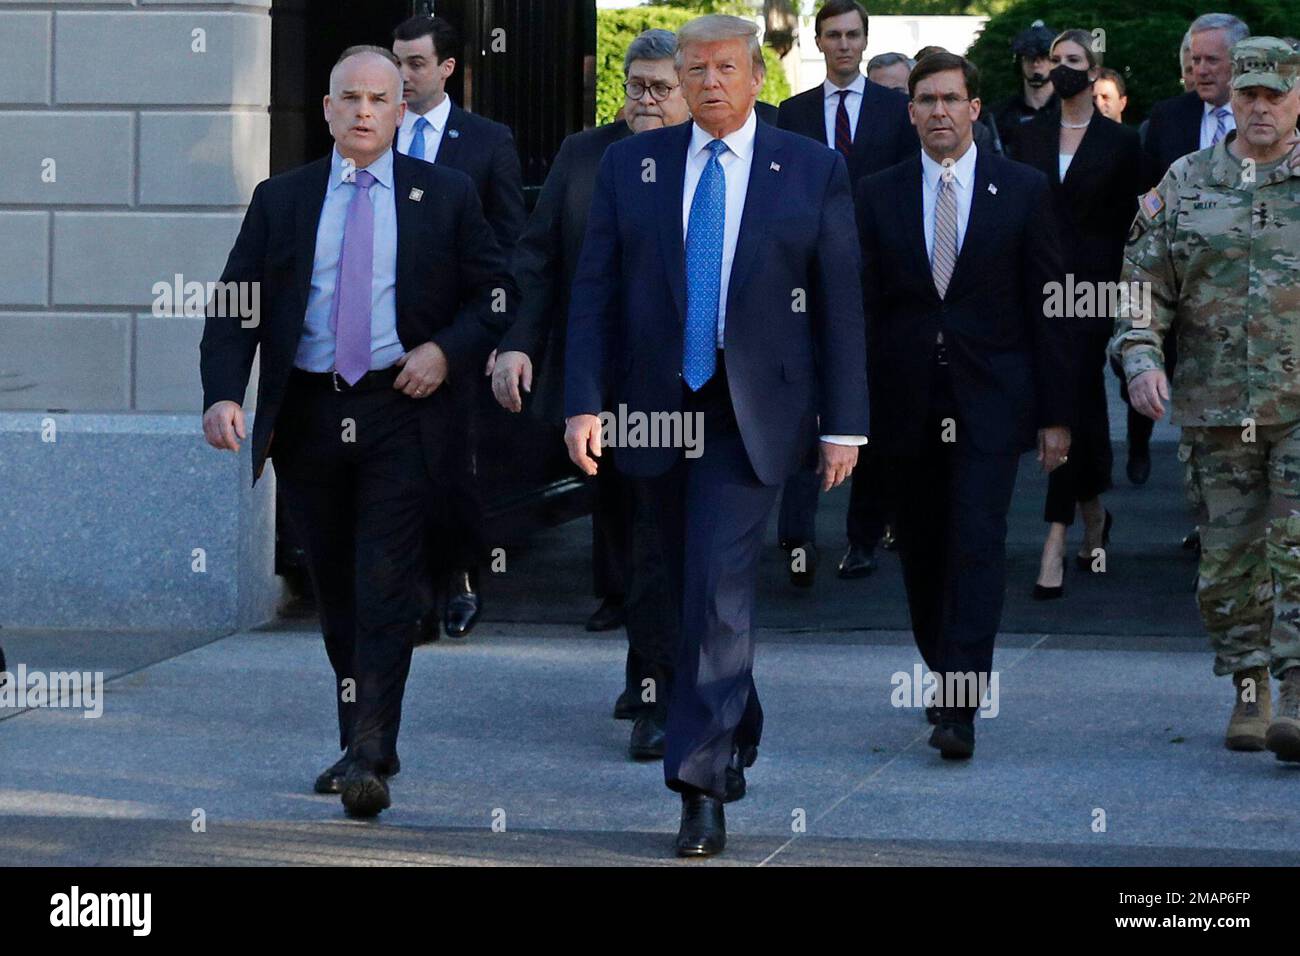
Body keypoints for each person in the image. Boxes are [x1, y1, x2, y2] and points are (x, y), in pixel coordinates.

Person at [565, 15, 867, 857]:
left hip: (753, 413)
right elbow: (593, 293)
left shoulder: (811, 169)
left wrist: (846, 425)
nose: (708, 84)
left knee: (719, 583)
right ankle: (739, 712)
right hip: (654, 410)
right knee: (677, 583)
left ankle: (698, 785)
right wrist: (583, 403)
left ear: (757, 73)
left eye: (725, 68)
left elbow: (840, 307)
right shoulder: (635, 166)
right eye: (693, 71)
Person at [199, 47, 513, 817]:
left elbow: (498, 292)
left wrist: (445, 350)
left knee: (383, 581)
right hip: (310, 413)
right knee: (335, 586)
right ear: (330, 110)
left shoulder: (444, 195)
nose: (366, 111)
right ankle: (362, 735)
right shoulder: (284, 198)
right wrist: (221, 395)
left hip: (398, 410)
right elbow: (236, 303)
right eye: (352, 98)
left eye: (381, 98)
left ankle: (369, 751)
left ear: (400, 110)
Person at [857, 51, 1071, 759]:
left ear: (976, 108)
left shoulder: (1024, 189)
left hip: (991, 402)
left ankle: (959, 704)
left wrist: (1056, 414)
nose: (940, 112)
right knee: (921, 550)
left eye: (952, 99)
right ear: (910, 111)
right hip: (905, 402)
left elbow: (1051, 308)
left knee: (976, 544)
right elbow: (861, 308)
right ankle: (943, 667)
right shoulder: (879, 193)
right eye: (926, 101)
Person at [492, 29, 690, 760]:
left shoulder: (708, 155)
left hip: (690, 386)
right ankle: (649, 673)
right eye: (636, 85)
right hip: (602, 383)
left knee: (664, 543)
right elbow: (539, 260)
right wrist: (516, 340)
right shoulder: (585, 155)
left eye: (660, 87)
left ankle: (659, 686)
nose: (646, 99)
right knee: (628, 534)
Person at [1111, 38, 1300, 759]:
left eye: (1273, 94)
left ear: (1298, 98)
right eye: (1247, 94)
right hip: (1216, 409)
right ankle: (1248, 686)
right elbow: (1141, 287)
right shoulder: (1186, 183)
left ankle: (1298, 692)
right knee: (1228, 563)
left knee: (1298, 552)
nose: (1258, 106)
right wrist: (1139, 359)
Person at [392, 14, 527, 641]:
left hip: (461, 333)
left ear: (447, 68)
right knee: (397, 469)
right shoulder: (374, 129)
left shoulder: (486, 139)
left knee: (456, 466)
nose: (403, 75)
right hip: (385, 333)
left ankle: (462, 578)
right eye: (397, 61)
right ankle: (411, 590)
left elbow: (507, 242)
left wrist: (495, 332)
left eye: (416, 63)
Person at [776, 0, 915, 584]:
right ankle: (798, 539)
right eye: (832, 34)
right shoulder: (794, 111)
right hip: (805, 281)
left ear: (865, 39)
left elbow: (909, 193)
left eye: (853, 34)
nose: (843, 44)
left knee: (868, 406)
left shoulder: (893, 108)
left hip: (877, 280)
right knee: (802, 407)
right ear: (818, 40)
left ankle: (862, 538)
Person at [1017, 30, 1149, 599]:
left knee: (1070, 389)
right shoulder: (1027, 137)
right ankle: (1094, 510)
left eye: (1075, 61)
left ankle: (1055, 535)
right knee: (1078, 401)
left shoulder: (1120, 144)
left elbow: (1141, 225)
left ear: (1094, 72)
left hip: (1096, 290)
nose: (1063, 68)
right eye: (1057, 60)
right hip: (1039, 287)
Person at [992, 21, 1058, 155]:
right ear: (1020, 63)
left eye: (1043, 57)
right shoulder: (999, 115)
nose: (1035, 64)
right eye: (1029, 57)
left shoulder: (1069, 112)